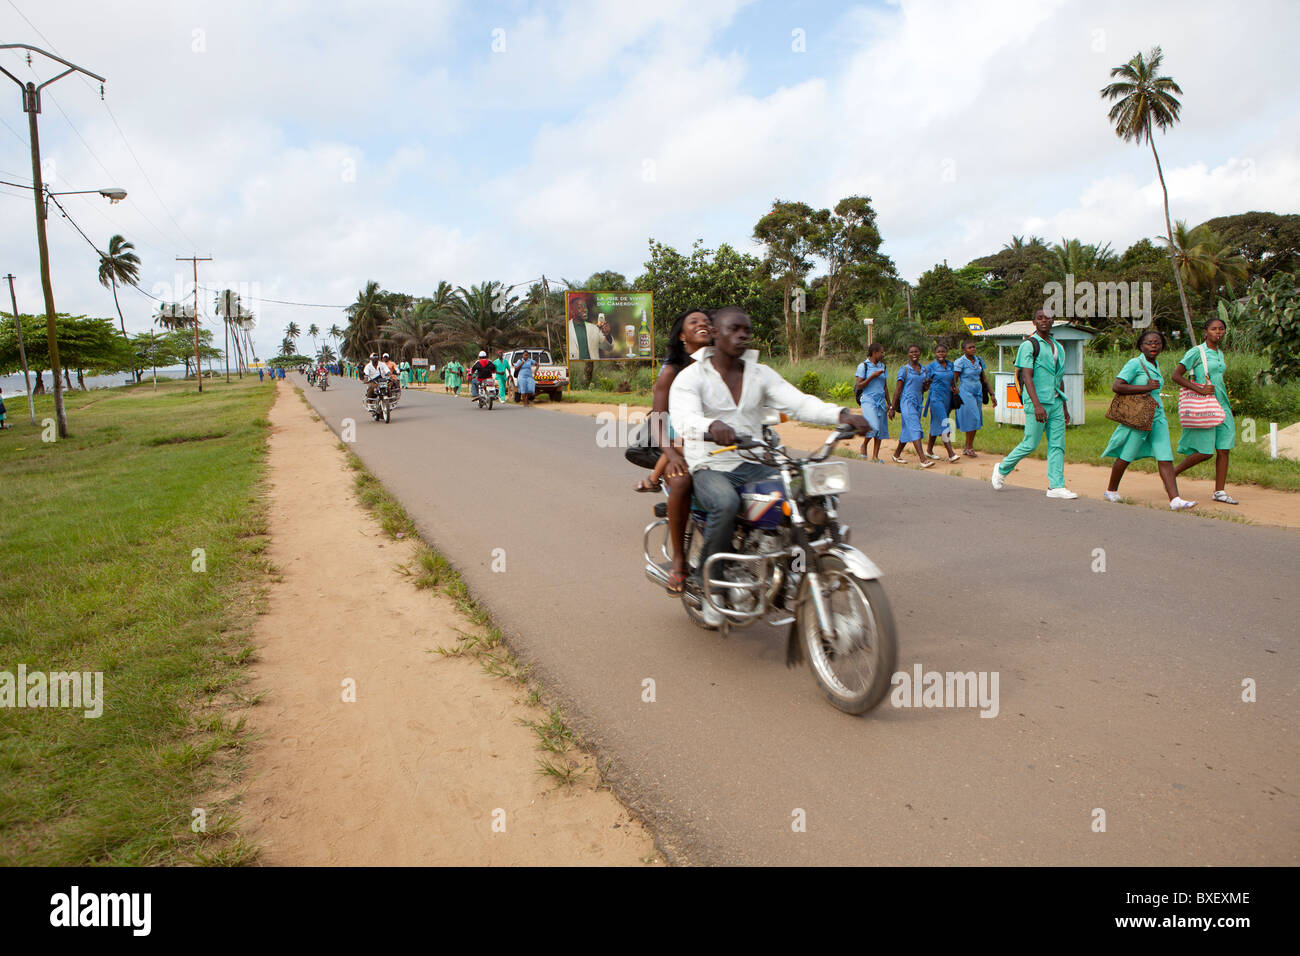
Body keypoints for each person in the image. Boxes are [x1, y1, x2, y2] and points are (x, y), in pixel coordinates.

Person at [670, 306, 869, 621]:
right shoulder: (690, 377)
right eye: (734, 329)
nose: (742, 335)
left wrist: (841, 415)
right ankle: (711, 585)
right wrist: (710, 427)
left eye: (746, 330)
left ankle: (794, 569)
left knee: (803, 494)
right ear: (716, 334)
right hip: (710, 464)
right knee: (724, 501)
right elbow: (683, 417)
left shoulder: (759, 373)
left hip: (752, 459)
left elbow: (799, 402)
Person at [633, 309, 713, 594]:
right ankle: (679, 563)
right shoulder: (672, 370)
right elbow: (657, 417)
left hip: (722, 445)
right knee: (680, 479)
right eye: (694, 322)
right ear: (682, 336)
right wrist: (673, 453)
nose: (703, 324)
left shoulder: (725, 364)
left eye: (707, 322)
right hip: (683, 442)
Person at [1102, 330, 1196, 510]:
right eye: (1149, 343)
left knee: (1165, 457)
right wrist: (1145, 387)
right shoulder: (1134, 363)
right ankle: (1111, 490)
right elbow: (1117, 386)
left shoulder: (1155, 363)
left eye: (1157, 343)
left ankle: (1175, 500)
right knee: (1126, 456)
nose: (1153, 346)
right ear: (1140, 346)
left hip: (1157, 417)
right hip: (1139, 418)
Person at [991, 309, 1076, 498]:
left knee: (1057, 445)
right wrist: (1037, 405)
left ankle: (1056, 486)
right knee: (1030, 443)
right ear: (1034, 322)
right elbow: (1026, 376)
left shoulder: (1058, 347)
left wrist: (1064, 406)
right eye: (1040, 318)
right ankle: (1002, 468)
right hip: (1037, 402)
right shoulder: (1029, 345)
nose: (1044, 321)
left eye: (1048, 318)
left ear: (1053, 321)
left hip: (1055, 401)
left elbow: (1058, 377)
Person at [1172, 316, 1238, 505]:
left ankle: (1220, 491)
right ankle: (1172, 474)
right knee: (1206, 452)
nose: (1218, 332)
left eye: (1221, 329)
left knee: (1224, 449)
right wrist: (1199, 389)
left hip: (1222, 404)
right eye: (1214, 329)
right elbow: (1175, 375)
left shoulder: (1220, 353)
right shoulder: (1197, 352)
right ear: (1205, 332)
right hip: (1205, 405)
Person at [889, 345, 935, 468]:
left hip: (918, 403)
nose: (914, 354)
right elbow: (898, 390)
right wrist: (892, 408)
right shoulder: (904, 370)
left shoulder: (924, 370)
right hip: (906, 402)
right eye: (911, 352)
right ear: (908, 354)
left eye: (916, 351)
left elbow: (923, 389)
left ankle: (896, 454)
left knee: (907, 429)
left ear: (920, 353)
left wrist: (927, 386)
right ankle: (923, 459)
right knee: (915, 428)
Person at [952, 339, 994, 457]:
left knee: (976, 419)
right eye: (969, 348)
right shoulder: (960, 362)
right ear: (964, 350)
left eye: (974, 347)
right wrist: (954, 395)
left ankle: (968, 446)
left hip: (978, 392)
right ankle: (969, 447)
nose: (973, 349)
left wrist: (992, 394)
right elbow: (954, 380)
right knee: (973, 418)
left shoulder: (978, 360)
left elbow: (984, 378)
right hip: (965, 392)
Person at [923, 343, 961, 462]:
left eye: (943, 351)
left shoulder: (950, 365)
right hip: (935, 398)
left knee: (936, 424)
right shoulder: (931, 367)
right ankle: (951, 453)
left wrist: (955, 388)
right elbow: (924, 382)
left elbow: (953, 380)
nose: (941, 354)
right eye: (939, 352)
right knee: (946, 423)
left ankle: (929, 450)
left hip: (947, 398)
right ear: (935, 353)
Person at [853, 342, 889, 461]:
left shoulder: (882, 366)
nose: (883, 354)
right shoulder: (864, 366)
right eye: (881, 352)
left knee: (880, 430)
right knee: (873, 426)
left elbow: (885, 386)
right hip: (868, 400)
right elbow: (859, 386)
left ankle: (875, 456)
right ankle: (864, 445)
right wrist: (872, 376)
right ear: (874, 353)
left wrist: (890, 404)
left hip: (880, 401)